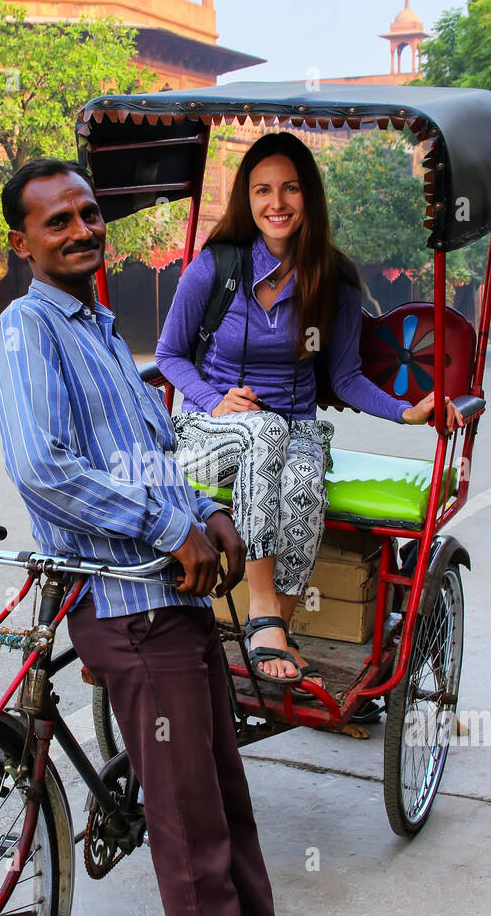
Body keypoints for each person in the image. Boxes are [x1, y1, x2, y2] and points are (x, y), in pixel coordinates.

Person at [0, 157, 388, 916]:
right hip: (126, 608)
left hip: (175, 595)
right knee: (191, 832)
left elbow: (152, 453)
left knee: (227, 806)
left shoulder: (97, 328)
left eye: (89, 215)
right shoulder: (25, 332)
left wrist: (204, 516)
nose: (82, 231)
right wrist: (172, 528)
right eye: (58, 222)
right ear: (22, 242)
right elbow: (45, 470)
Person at [155, 131, 463, 686]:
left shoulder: (332, 277)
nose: (277, 204)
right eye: (262, 190)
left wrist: (406, 412)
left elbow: (344, 378)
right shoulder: (217, 267)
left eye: (290, 189)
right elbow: (169, 354)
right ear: (247, 200)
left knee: (301, 478)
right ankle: (262, 613)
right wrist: (214, 399)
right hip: (211, 432)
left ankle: (279, 635)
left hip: (291, 433)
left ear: (308, 196)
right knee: (265, 431)